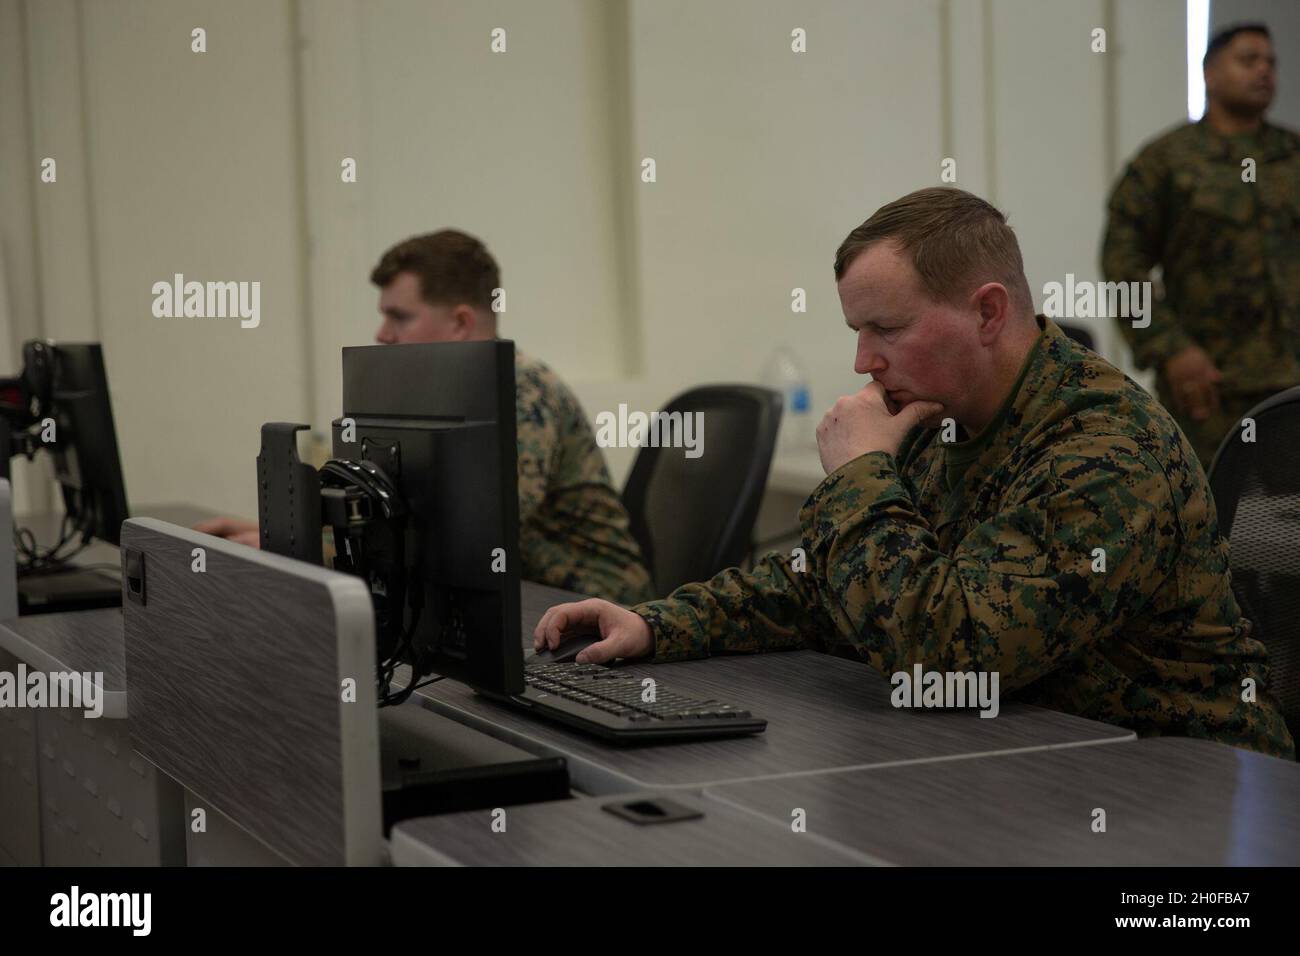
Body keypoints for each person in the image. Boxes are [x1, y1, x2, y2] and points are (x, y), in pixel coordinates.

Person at [535, 187, 1294, 760]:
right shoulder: (941, 415)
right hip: (1036, 753)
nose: (864, 361)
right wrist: (658, 624)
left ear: (988, 313)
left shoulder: (1106, 447)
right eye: (857, 332)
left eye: (886, 329)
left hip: (1180, 783)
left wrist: (861, 475)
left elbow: (949, 651)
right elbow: (818, 586)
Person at [198, 230, 655, 606]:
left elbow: (477, 532)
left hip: (596, 604)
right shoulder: (442, 396)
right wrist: (290, 534)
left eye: (400, 317)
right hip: (517, 597)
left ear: (459, 322)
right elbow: (407, 513)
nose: (382, 333)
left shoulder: (522, 393)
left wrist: (308, 549)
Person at [1102, 23, 1300, 466]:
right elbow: (1122, 266)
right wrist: (1170, 349)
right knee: (1213, 516)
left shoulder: (1293, 154)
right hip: (1211, 388)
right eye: (1249, 60)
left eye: (1271, 62)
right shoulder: (1167, 161)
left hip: (1293, 384)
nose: (1264, 70)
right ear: (1210, 74)